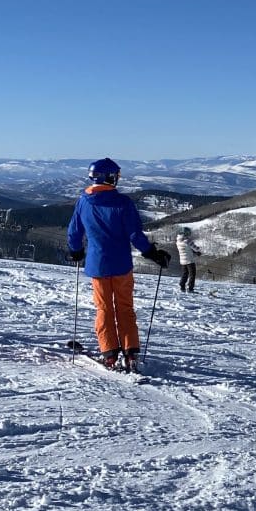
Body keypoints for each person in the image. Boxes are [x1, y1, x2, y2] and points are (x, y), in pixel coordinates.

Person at [67, 158, 171, 372]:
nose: (117, 179)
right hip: (122, 264)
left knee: (104, 308)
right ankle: (130, 351)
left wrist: (76, 251)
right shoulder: (123, 202)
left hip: (98, 265)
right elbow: (135, 234)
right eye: (116, 176)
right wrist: (152, 253)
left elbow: (74, 232)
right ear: (109, 177)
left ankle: (109, 353)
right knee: (125, 307)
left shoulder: (84, 202)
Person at [176, 227, 202, 292]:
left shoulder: (178, 241)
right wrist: (198, 249)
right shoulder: (187, 241)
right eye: (188, 233)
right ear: (186, 233)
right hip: (189, 260)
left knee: (185, 273)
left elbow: (186, 249)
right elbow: (196, 248)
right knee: (192, 274)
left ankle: (182, 285)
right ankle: (190, 288)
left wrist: (193, 251)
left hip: (182, 261)